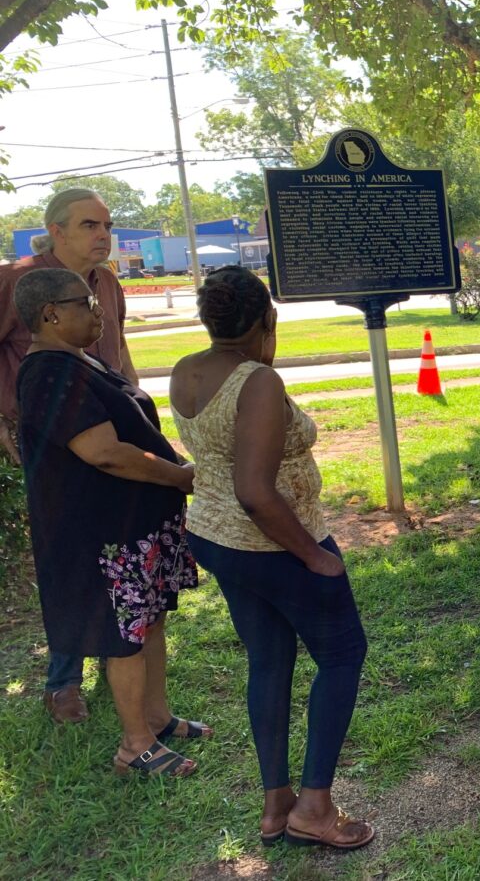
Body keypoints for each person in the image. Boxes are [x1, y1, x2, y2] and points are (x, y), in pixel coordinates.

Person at [170, 266, 372, 849]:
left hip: (218, 538)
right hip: (273, 542)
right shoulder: (256, 380)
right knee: (343, 654)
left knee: (269, 660)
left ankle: (276, 803)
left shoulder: (186, 370)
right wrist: (314, 556)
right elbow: (255, 492)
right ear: (267, 318)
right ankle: (314, 808)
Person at [14, 268, 202, 777]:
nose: (99, 310)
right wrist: (178, 476)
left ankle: (157, 718)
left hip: (136, 526)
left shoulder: (81, 359)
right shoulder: (48, 374)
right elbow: (103, 452)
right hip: (103, 537)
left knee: (151, 619)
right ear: (51, 314)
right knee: (125, 638)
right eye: (86, 303)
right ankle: (135, 746)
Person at [0, 188, 139, 724]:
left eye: (107, 225)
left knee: (113, 546)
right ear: (56, 231)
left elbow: (119, 351)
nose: (103, 235)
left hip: (108, 435)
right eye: (89, 225)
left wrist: (138, 410)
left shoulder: (108, 282)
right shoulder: (18, 281)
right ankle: (63, 681)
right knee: (67, 557)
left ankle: (116, 653)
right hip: (51, 443)